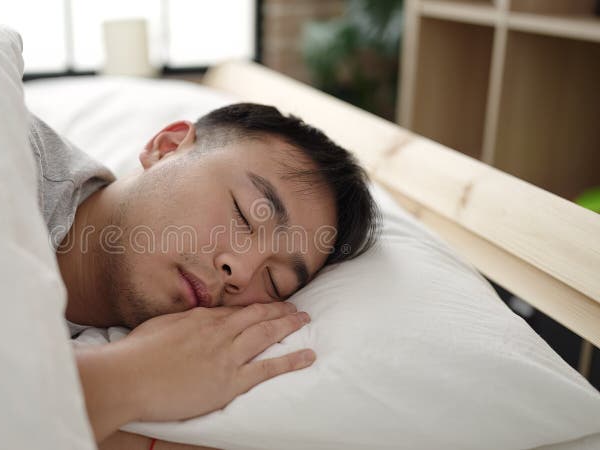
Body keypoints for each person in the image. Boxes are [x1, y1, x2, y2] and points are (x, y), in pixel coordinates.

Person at [28, 102, 380, 449]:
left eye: (275, 282)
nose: (241, 272)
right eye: (245, 216)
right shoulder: (7, 157)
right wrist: (134, 378)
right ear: (166, 147)